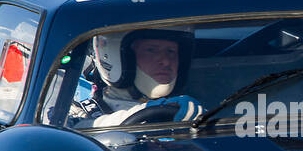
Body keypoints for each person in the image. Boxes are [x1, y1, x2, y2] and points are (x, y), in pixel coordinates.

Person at [68, 28, 204, 127]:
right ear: (120, 56)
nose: (166, 62)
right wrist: (146, 111)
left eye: (171, 51)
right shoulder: (77, 113)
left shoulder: (193, 109)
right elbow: (72, 136)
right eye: (151, 50)